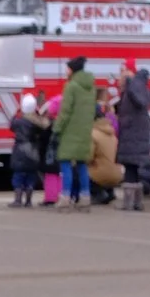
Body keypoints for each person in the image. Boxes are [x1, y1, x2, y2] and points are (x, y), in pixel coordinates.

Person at [53, 55, 98, 212]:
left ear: (72, 70)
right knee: (81, 164)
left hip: (70, 132)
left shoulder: (71, 86)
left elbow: (65, 112)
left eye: (67, 68)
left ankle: (65, 197)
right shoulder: (91, 87)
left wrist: (56, 128)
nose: (66, 71)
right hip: (84, 131)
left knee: (65, 163)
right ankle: (85, 197)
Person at [112, 66, 150, 210]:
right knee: (135, 170)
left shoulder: (131, 90)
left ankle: (128, 203)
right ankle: (137, 202)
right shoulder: (144, 91)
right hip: (141, 138)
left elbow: (126, 114)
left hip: (130, 136)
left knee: (130, 169)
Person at [7, 90, 47, 206]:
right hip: (33, 151)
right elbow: (43, 128)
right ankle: (28, 201)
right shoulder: (37, 124)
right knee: (31, 176)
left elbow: (11, 124)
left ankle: (18, 200)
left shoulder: (18, 122)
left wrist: (17, 112)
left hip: (19, 150)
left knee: (18, 176)